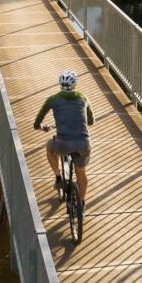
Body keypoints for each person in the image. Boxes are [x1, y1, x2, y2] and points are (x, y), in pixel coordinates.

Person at [32, 70, 94, 204]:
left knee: (49, 147)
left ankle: (58, 176)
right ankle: (81, 204)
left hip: (63, 143)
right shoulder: (83, 98)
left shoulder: (53, 99)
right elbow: (91, 121)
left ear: (60, 84)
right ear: (75, 85)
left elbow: (37, 123)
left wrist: (42, 127)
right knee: (81, 174)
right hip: (84, 144)